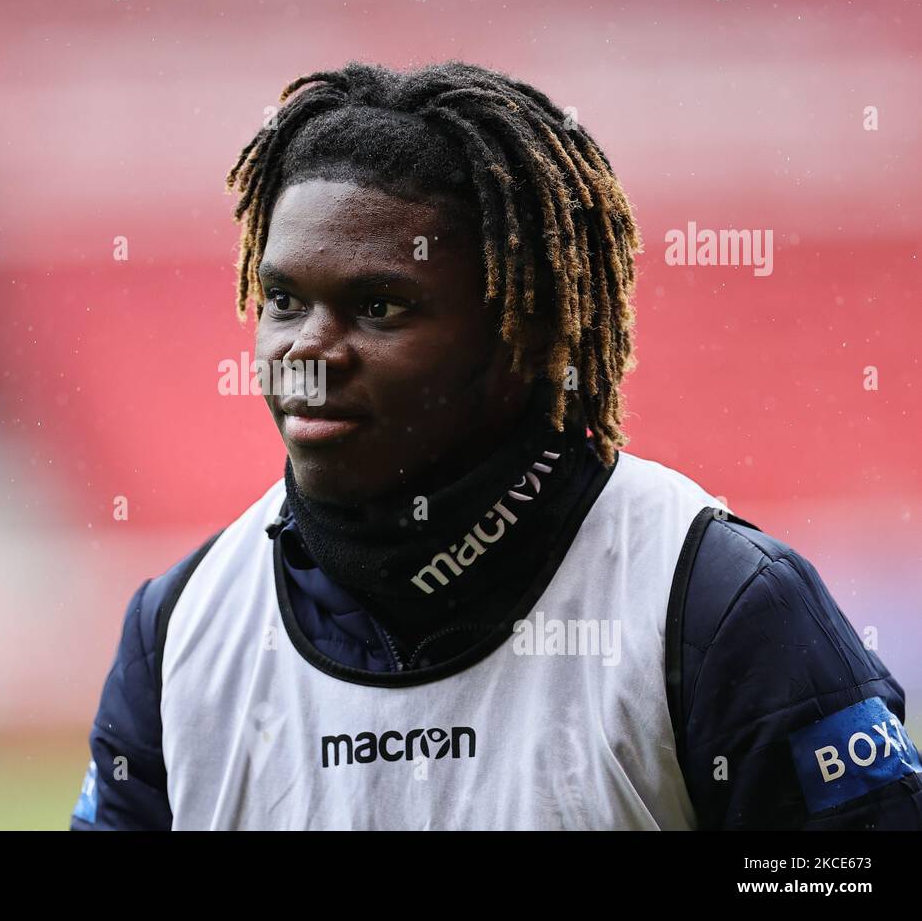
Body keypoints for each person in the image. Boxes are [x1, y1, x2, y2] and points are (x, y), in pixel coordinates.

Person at [70, 60, 921, 829]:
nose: (306, 350)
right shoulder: (181, 628)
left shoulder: (716, 606)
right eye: (285, 300)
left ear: (521, 338)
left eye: (380, 308)